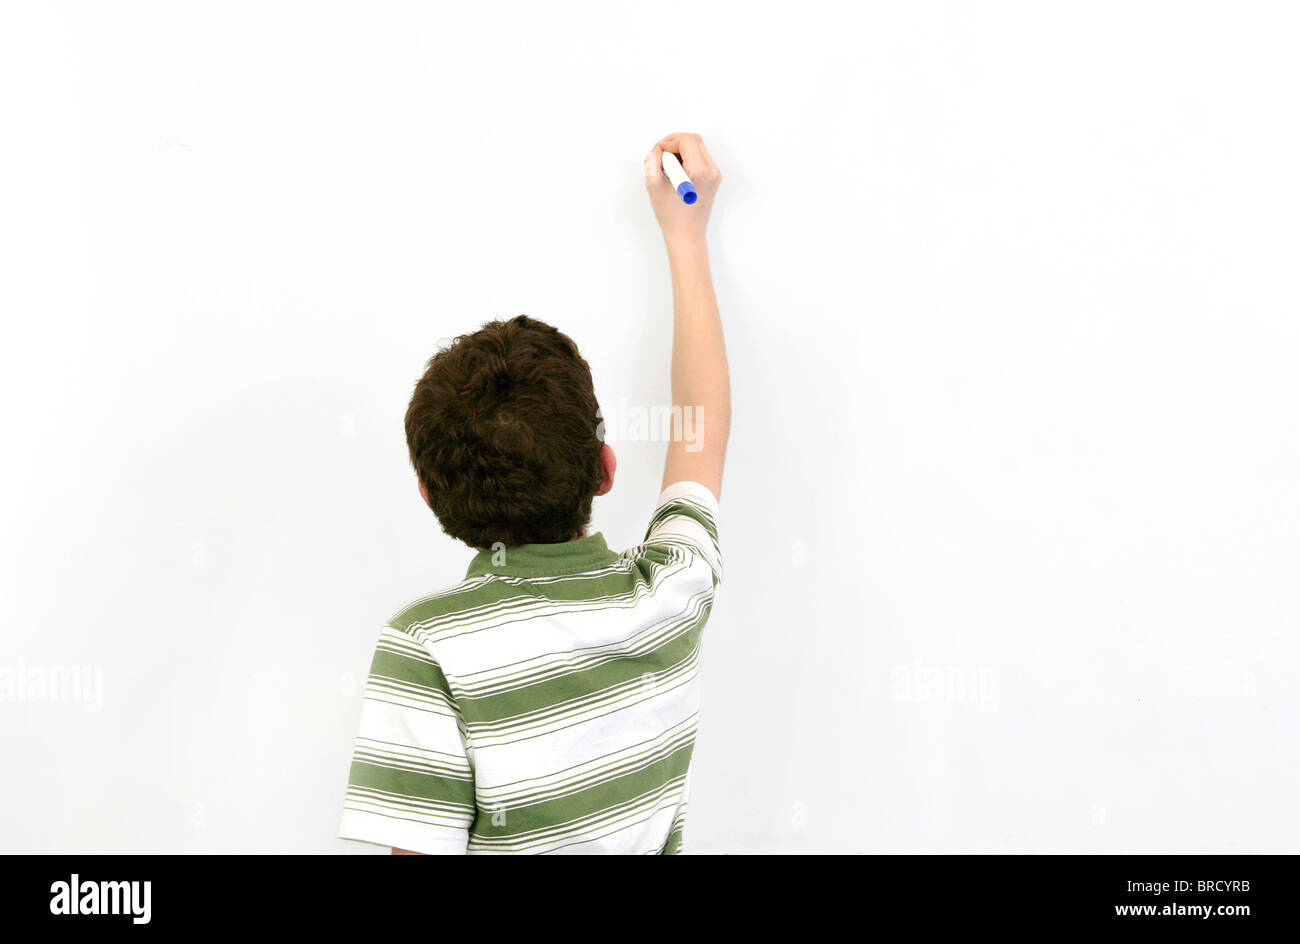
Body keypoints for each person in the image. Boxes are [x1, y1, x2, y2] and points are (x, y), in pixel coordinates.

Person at [338, 132, 729, 854]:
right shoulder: (669, 593)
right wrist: (686, 231)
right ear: (605, 469)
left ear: (430, 496)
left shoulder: (428, 648)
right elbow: (701, 433)